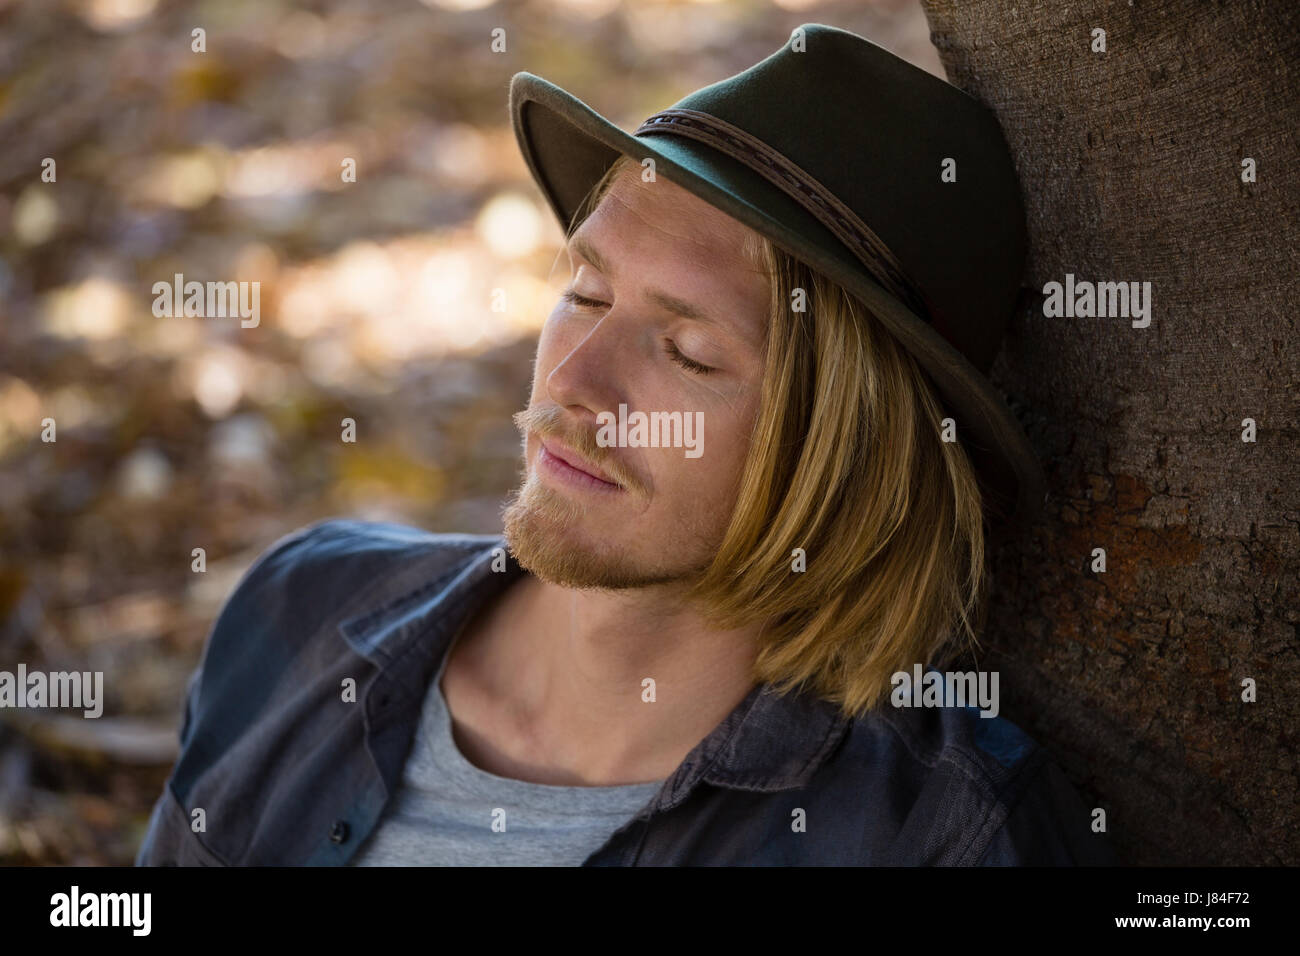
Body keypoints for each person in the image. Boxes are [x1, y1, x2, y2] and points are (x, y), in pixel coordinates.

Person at [136, 23, 1117, 866]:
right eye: (585, 293)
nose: (572, 385)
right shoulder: (297, 612)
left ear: (846, 452)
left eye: (688, 353)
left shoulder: (934, 836)